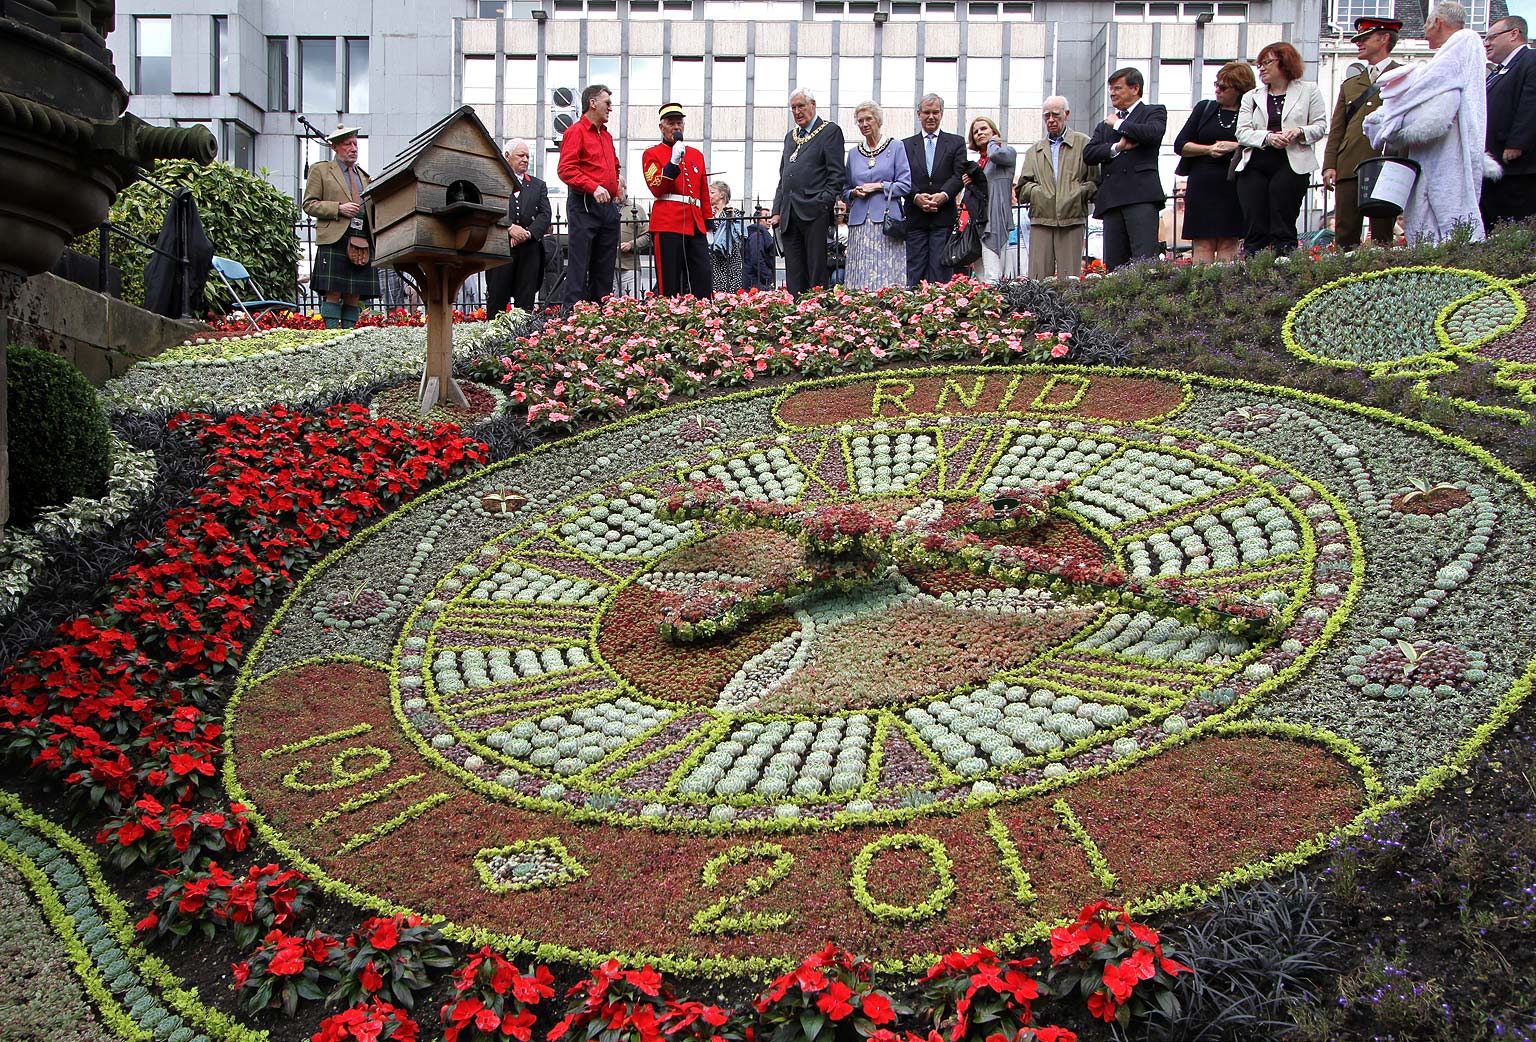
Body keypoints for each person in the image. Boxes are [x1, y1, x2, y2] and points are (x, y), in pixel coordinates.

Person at [1365, 1, 1490, 244]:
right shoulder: (1452, 53)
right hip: (1433, 149)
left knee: (1448, 203)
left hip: (1449, 147)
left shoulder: (1464, 42)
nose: (1424, 31)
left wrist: (1389, 115)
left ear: (1437, 22)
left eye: (1426, 24)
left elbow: (1426, 87)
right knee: (1426, 205)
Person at [1233, 42, 1328, 256]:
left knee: (1282, 220)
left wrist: (1298, 132)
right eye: (1259, 64)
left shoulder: (1309, 90)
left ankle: (1285, 264)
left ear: (1285, 62)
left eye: (1267, 62)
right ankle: (1253, 269)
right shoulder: (1252, 96)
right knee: (1254, 222)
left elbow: (1320, 126)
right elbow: (1242, 132)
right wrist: (1267, 137)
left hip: (1291, 161)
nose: (1262, 68)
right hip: (1256, 162)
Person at [1323, 18, 1406, 250]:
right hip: (1349, 161)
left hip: (1386, 160)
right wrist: (1330, 164)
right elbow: (1338, 128)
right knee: (1345, 233)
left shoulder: (1404, 75)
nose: (1358, 43)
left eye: (1364, 38)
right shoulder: (1351, 84)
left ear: (1384, 38)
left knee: (1382, 234)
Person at [1083, 68, 1167, 270]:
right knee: (1115, 264)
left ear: (1135, 88)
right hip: (1112, 200)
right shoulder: (1104, 125)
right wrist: (1116, 147)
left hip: (1141, 197)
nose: (1112, 93)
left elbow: (1152, 133)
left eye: (1117, 88)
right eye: (1111, 89)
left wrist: (1119, 123)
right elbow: (1089, 154)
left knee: (1144, 261)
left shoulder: (1152, 112)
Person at [1174, 63, 1254, 263]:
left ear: (1239, 89)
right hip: (1203, 182)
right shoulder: (1205, 108)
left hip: (1234, 182)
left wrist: (1234, 146)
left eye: (1223, 87)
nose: (1217, 90)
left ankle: (1225, 291)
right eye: (1216, 84)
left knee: (1229, 241)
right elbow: (1180, 144)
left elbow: (1258, 142)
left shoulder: (1250, 113)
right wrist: (1208, 149)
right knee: (1203, 242)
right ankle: (1201, 289)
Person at [557, 83, 626, 306]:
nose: (610, 108)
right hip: (585, 205)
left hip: (607, 208)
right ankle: (572, 315)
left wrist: (614, 189)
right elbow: (566, 169)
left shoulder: (606, 136)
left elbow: (615, 166)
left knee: (605, 266)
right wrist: (593, 186)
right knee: (580, 264)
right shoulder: (575, 132)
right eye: (607, 103)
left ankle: (599, 318)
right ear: (592, 103)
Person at [772, 88, 846, 294]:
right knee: (794, 272)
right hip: (789, 212)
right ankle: (796, 315)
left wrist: (822, 203)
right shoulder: (790, 137)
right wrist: (777, 209)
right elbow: (783, 176)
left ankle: (816, 316)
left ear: (812, 105)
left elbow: (837, 174)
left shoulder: (829, 131)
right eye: (793, 108)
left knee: (816, 270)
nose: (797, 111)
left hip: (814, 211)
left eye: (801, 106)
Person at [1016, 96, 1099, 279]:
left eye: (1056, 115)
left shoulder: (1084, 144)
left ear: (1066, 114)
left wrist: (1078, 192)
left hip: (1072, 218)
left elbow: (1095, 181)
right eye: (1047, 116)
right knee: (1037, 279)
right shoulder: (1034, 151)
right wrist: (1039, 193)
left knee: (1070, 280)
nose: (1051, 120)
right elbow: (1022, 189)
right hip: (1041, 219)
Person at [303, 124, 376, 328]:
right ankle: (331, 334)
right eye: (347, 144)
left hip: (361, 236)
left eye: (355, 144)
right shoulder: (322, 170)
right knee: (333, 291)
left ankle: (348, 335)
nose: (353, 148)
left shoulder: (364, 176)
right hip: (335, 237)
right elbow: (309, 204)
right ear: (335, 147)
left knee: (354, 292)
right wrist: (338, 208)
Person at [643, 102, 713, 297]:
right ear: (661, 127)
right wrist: (672, 163)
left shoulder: (696, 155)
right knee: (670, 282)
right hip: (668, 223)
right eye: (671, 122)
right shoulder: (652, 154)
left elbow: (703, 193)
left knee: (703, 279)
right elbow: (656, 187)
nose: (676, 127)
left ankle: (705, 320)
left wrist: (708, 225)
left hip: (695, 223)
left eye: (679, 122)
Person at [842, 102, 913, 291]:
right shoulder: (854, 153)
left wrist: (880, 186)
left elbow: (905, 185)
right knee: (861, 273)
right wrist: (853, 193)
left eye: (868, 119)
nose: (864, 124)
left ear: (878, 121)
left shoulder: (896, 146)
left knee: (886, 272)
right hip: (859, 223)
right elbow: (845, 188)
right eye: (860, 121)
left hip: (886, 221)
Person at [902, 94, 967, 287]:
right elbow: (901, 176)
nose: (931, 117)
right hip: (916, 218)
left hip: (943, 217)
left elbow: (959, 174)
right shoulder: (905, 145)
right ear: (918, 114)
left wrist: (943, 195)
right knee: (915, 272)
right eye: (926, 112)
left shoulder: (956, 142)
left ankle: (938, 314)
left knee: (941, 272)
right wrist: (916, 197)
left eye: (935, 112)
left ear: (942, 114)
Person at [1482, 14, 1536, 229]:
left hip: (1518, 167)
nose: (1486, 43)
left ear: (1514, 34)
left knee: (1515, 224)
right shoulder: (1499, 70)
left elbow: (1531, 102)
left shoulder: (1530, 60)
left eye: (1492, 37)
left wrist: (1517, 143)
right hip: (1495, 164)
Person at [486, 138, 551, 316]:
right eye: (520, 155)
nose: (525, 160)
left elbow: (545, 215)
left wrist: (528, 233)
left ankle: (524, 339)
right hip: (501, 249)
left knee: (526, 300)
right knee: (497, 297)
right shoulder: (494, 182)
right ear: (507, 156)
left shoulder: (538, 185)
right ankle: (495, 339)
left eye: (528, 156)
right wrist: (509, 228)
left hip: (529, 250)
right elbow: (488, 208)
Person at [964, 117, 1017, 281]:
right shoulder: (979, 163)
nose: (979, 133)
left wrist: (993, 142)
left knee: (992, 274)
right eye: (975, 131)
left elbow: (996, 155)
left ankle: (994, 305)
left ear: (994, 132)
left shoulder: (1006, 153)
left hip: (994, 220)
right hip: (979, 222)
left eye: (984, 129)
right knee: (980, 274)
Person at [708, 181, 745, 293]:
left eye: (712, 192)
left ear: (722, 195)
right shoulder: (709, 214)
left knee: (730, 290)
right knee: (713, 290)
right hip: (713, 258)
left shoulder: (733, 213)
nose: (709, 195)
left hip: (730, 257)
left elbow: (739, 233)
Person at [615, 197, 652, 297]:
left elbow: (647, 236)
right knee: (609, 305)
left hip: (630, 266)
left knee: (631, 304)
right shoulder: (605, 208)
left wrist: (631, 245)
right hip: (608, 267)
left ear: (624, 188)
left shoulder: (637, 209)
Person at [743, 206, 777, 290]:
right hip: (756, 281)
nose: (769, 220)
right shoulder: (757, 235)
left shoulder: (761, 235)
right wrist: (767, 276)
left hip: (757, 279)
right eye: (765, 216)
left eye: (769, 216)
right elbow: (757, 259)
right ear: (757, 219)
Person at [827, 199, 850, 286]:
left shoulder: (850, 225)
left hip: (844, 261)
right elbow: (828, 242)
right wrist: (844, 248)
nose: (839, 212)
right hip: (831, 258)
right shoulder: (828, 226)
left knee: (837, 279)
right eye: (836, 209)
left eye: (842, 209)